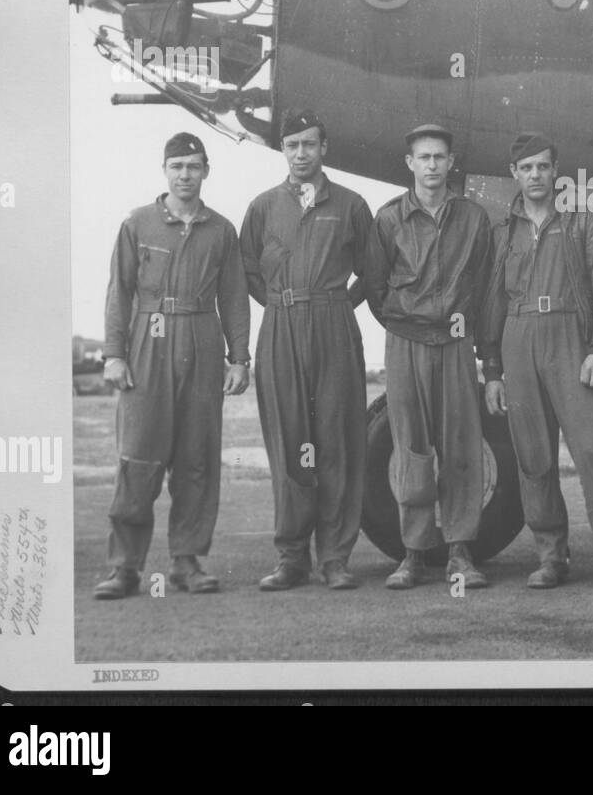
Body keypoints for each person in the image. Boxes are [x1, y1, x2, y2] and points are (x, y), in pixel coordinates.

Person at [478, 132, 593, 595]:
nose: (535, 175)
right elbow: (491, 304)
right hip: (518, 338)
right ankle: (551, 556)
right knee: (533, 457)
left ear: (555, 170)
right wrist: (492, 370)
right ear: (514, 174)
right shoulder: (503, 230)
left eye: (543, 167)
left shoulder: (581, 221)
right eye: (526, 168)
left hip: (571, 337)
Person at [94, 133, 251, 599]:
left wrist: (239, 358)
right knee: (139, 455)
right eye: (177, 166)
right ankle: (124, 568)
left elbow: (235, 297)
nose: (186, 175)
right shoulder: (138, 223)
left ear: (207, 171)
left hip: (201, 338)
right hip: (149, 336)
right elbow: (118, 292)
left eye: (194, 166)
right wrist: (114, 354)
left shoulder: (221, 229)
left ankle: (187, 561)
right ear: (165, 170)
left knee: (197, 458)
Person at [240, 110, 373, 592]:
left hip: (335, 326)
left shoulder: (352, 205)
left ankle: (335, 557)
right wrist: (282, 307)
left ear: (324, 148)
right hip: (281, 327)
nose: (301, 153)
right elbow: (248, 272)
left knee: (337, 441)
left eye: (309, 144)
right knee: (291, 441)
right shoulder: (261, 207)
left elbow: (373, 272)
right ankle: (291, 557)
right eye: (292, 144)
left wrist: (338, 305)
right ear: (283, 149)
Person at [365, 123, 495, 591]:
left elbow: (482, 288)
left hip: (456, 342)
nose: (433, 166)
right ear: (410, 164)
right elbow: (376, 289)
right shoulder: (388, 219)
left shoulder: (474, 219)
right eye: (424, 158)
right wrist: (408, 324)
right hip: (406, 342)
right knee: (411, 449)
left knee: (461, 446)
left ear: (451, 162)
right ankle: (413, 553)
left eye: (440, 157)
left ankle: (461, 552)